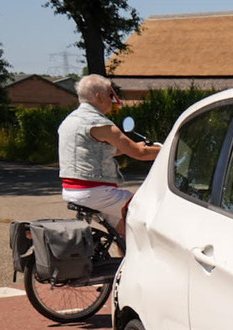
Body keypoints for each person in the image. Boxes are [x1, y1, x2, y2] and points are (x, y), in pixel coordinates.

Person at [57, 74, 161, 238]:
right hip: (95, 192)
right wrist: (171, 151)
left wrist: (132, 148)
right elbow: (140, 154)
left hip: (72, 190)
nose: (112, 100)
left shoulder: (69, 121)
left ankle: (122, 262)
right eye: (110, 95)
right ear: (99, 96)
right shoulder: (100, 124)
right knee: (147, 206)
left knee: (124, 231)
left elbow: (97, 152)